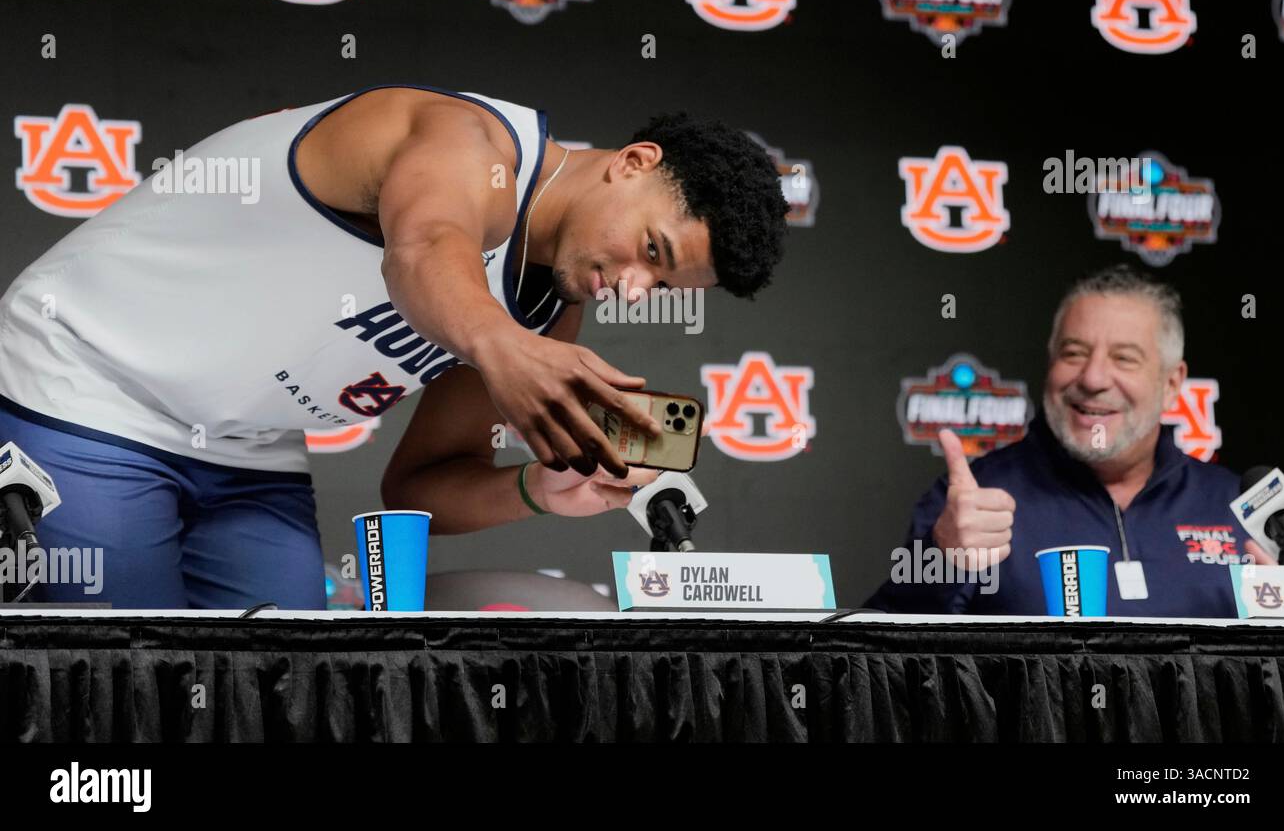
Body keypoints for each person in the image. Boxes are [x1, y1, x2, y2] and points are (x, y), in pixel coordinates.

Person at [0, 85, 788, 608]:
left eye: (666, 287)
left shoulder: (546, 303)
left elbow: (417, 489)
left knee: (281, 689)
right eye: (651, 251)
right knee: (119, 678)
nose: (634, 290)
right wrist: (506, 350)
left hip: (244, 450)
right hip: (83, 383)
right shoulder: (465, 140)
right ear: (634, 163)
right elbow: (422, 251)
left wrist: (537, 491)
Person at [867, 264, 1269, 618]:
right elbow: (883, 664)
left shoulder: (1235, 506)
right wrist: (942, 557)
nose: (1093, 379)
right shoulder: (974, 500)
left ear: (1171, 383)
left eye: (1124, 358)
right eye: (1074, 353)